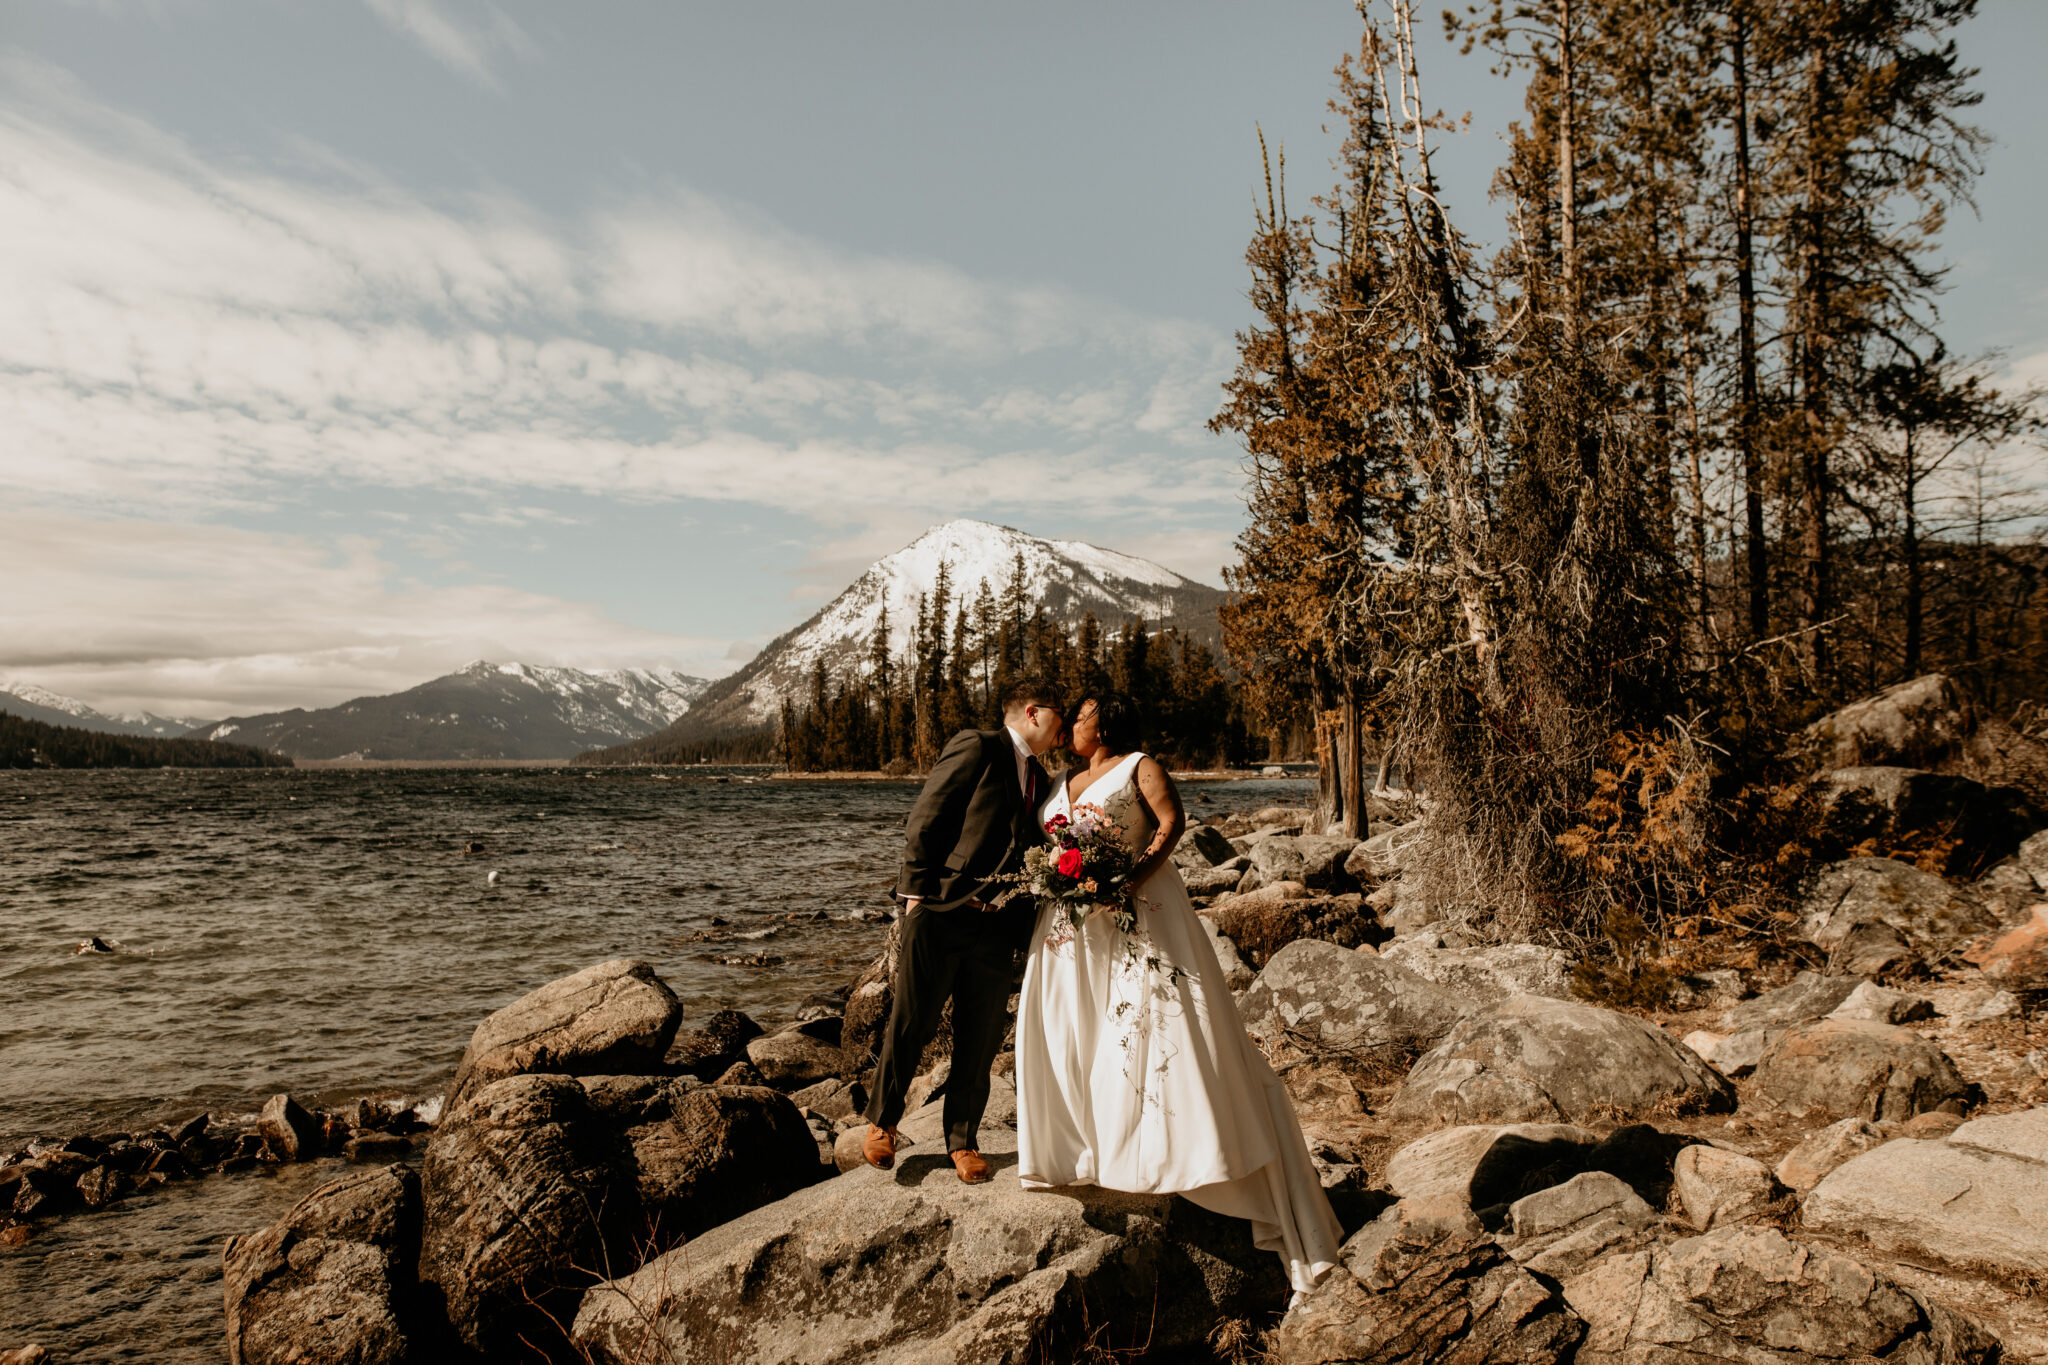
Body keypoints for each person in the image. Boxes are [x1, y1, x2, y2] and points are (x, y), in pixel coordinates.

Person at [1013, 693, 1342, 1302]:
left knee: (1147, 1029)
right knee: (1068, 1026)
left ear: (1105, 723)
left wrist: (1128, 879)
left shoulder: (1140, 766)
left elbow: (1171, 823)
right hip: (1070, 926)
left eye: (1082, 715)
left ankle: (1167, 1150)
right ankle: (1082, 1148)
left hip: (1139, 912)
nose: (1073, 723)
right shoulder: (1057, 781)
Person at [861, 678, 1066, 1184]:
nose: (1063, 729)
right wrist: (913, 895)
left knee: (980, 1037)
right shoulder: (978, 746)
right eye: (1059, 716)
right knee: (912, 1021)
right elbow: (928, 816)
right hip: (943, 910)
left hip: (998, 924)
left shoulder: (1040, 777)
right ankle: (883, 1122)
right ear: (1034, 712)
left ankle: (963, 1141)